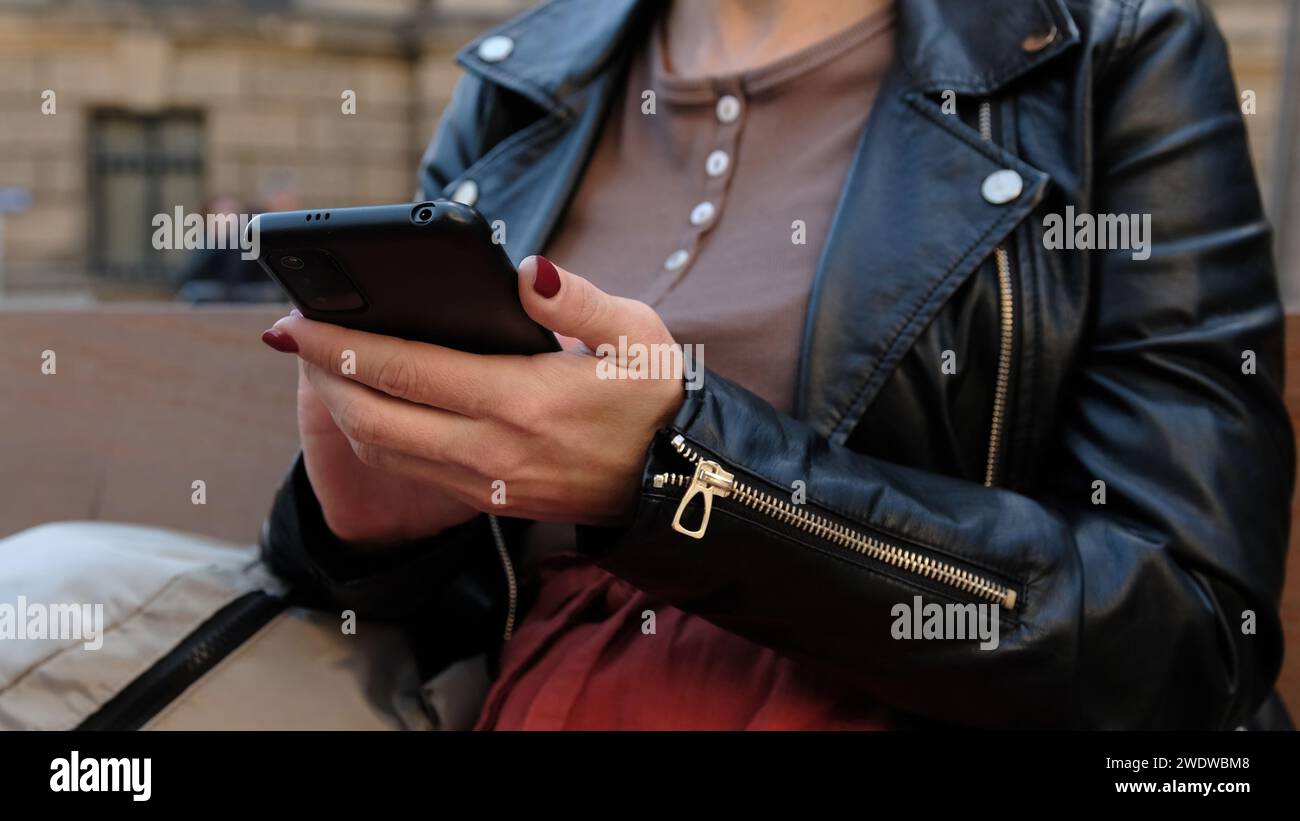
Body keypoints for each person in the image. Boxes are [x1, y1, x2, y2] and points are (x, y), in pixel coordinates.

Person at [257, 0, 1295, 729]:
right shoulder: (525, 73)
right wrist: (367, 528)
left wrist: (679, 475)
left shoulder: (1107, 48)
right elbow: (439, 609)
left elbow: (1188, 633)